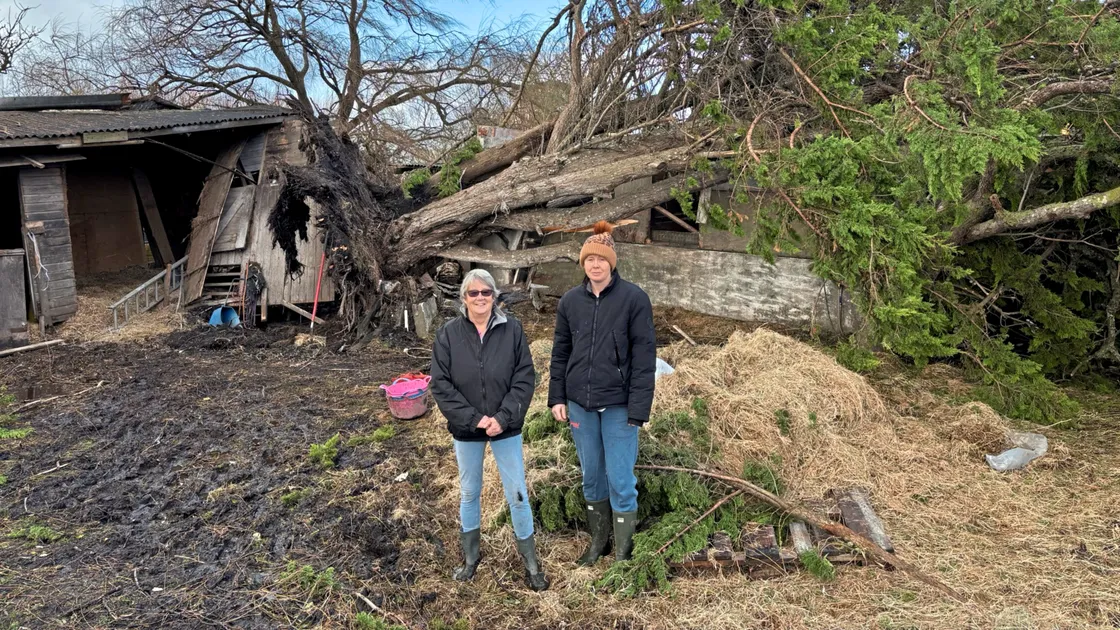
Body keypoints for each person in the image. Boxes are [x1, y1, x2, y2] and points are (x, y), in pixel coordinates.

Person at [429, 269, 549, 591]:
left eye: (486, 292)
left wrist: (503, 417)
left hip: (505, 427)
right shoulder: (448, 335)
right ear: (464, 298)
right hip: (467, 429)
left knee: (517, 493)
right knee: (469, 492)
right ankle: (470, 558)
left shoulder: (513, 330)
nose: (480, 298)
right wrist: (475, 419)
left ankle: (531, 563)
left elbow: (524, 378)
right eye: (474, 293)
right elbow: (441, 385)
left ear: (495, 297)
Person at [547, 221, 656, 565]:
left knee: (621, 479)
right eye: (590, 259)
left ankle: (623, 554)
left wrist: (638, 409)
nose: (596, 265)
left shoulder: (634, 299)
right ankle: (598, 544)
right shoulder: (570, 302)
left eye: (602, 259)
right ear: (583, 263)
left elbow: (644, 358)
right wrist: (557, 397)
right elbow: (560, 352)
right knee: (592, 477)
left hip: (619, 406)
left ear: (612, 262)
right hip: (580, 404)